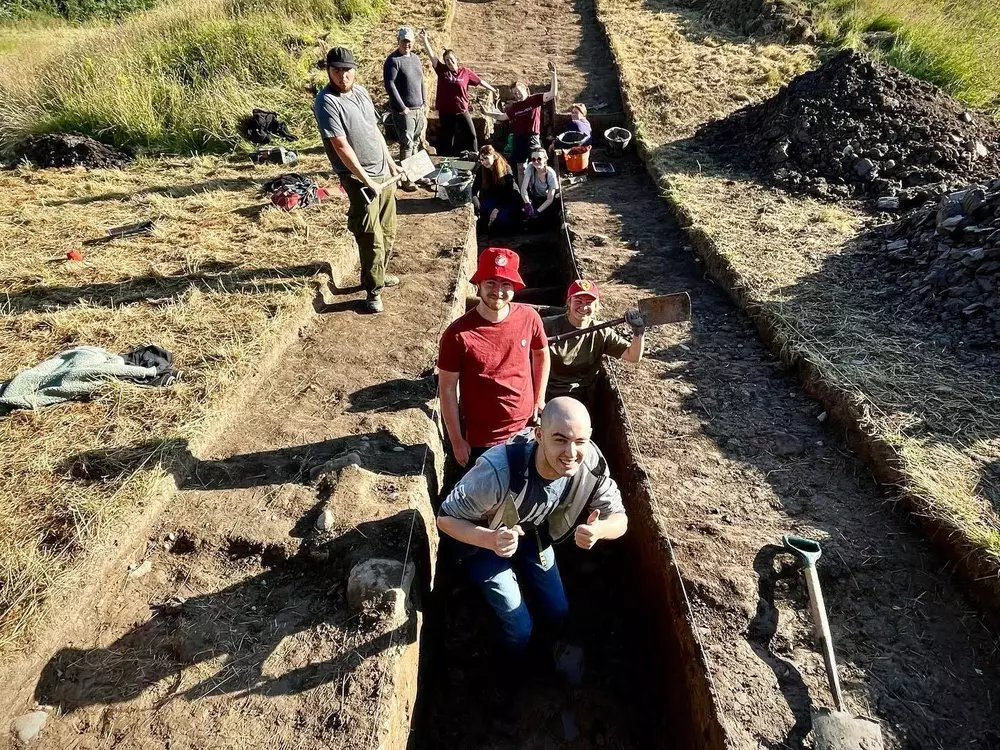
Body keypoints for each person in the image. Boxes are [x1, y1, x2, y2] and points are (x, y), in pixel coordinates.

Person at [437, 397, 628, 657]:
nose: (571, 453)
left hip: (532, 532)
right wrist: (491, 540)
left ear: (589, 437)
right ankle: (515, 666)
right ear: (539, 434)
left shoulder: (590, 465)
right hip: (483, 541)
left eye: (579, 441)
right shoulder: (497, 471)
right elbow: (445, 518)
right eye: (560, 439)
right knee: (520, 627)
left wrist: (598, 531)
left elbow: (621, 520)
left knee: (559, 609)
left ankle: (554, 652)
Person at [437, 247, 550, 467]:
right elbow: (447, 389)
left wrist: (539, 398)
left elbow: (541, 353)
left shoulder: (529, 318)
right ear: (478, 284)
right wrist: (457, 440)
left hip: (526, 429)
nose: (498, 291)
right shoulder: (457, 335)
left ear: (515, 288)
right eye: (490, 282)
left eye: (506, 284)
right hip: (482, 440)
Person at [314, 47, 402, 314]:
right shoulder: (327, 102)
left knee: (388, 229)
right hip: (359, 180)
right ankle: (373, 291)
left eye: (347, 70)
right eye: (337, 70)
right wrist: (367, 179)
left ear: (355, 69)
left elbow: (375, 131)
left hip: (382, 174)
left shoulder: (361, 93)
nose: (343, 76)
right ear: (329, 71)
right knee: (370, 235)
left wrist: (390, 161)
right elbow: (340, 145)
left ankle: (378, 274)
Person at [543, 280, 646, 404]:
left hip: (582, 397)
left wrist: (638, 332)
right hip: (545, 393)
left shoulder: (601, 332)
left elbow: (633, 356)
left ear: (596, 306)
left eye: (589, 303)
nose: (584, 307)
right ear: (569, 302)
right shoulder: (546, 326)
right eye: (578, 301)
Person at [419, 29, 498, 156]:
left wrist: (492, 89)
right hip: (446, 112)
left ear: (456, 59)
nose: (449, 62)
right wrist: (424, 40)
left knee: (471, 134)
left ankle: (475, 156)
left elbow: (480, 81)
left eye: (451, 59)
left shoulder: (465, 72)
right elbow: (432, 56)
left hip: (461, 110)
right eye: (446, 60)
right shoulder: (442, 70)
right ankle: (444, 158)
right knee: (447, 137)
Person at [484, 61, 557, 182]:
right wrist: (487, 113)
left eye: (518, 91)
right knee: (520, 166)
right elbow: (502, 117)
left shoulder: (534, 99)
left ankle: (544, 188)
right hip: (518, 138)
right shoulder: (515, 107)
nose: (517, 95)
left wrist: (553, 75)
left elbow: (552, 94)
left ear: (525, 89)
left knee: (539, 164)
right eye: (514, 94)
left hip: (532, 137)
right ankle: (524, 193)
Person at [383, 27, 426, 191]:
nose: (407, 44)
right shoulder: (393, 60)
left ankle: (417, 175)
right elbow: (390, 85)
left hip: (418, 108)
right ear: (398, 41)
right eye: (404, 41)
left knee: (416, 142)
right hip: (404, 111)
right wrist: (402, 107)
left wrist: (424, 102)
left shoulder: (415, 58)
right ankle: (406, 179)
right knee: (407, 144)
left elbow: (421, 80)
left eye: (409, 41)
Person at [471, 145, 521, 235]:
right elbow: (475, 187)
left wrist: (497, 209)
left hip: (506, 200)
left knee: (502, 219)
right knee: (485, 213)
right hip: (492, 198)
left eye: (486, 158)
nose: (484, 162)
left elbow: (510, 193)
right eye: (481, 160)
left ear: (493, 156)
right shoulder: (481, 169)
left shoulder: (506, 170)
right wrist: (474, 197)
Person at [520, 149, 560, 227]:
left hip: (546, 201)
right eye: (533, 159)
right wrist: (527, 204)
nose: (536, 161)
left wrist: (537, 211)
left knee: (545, 220)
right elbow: (523, 189)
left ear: (545, 158)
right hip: (534, 198)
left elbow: (550, 199)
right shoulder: (530, 167)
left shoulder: (550, 173)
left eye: (539, 159)